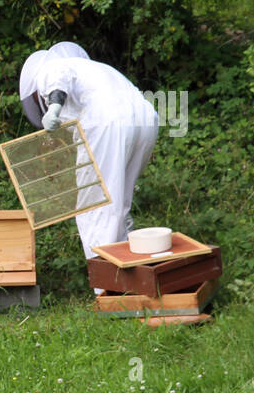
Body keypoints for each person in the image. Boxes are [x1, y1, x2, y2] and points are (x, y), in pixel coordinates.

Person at [18, 47, 158, 261]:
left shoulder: (49, 69)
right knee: (118, 201)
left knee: (93, 208)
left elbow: (56, 77)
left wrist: (54, 108)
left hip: (106, 123)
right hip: (145, 119)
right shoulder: (94, 69)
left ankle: (107, 287)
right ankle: (134, 269)